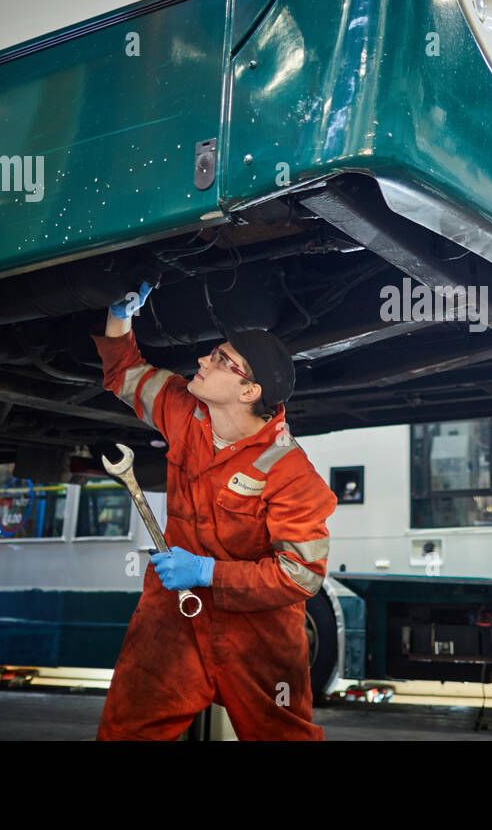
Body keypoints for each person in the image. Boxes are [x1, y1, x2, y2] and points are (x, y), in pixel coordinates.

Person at [93, 282, 336, 740]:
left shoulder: (291, 473)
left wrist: (207, 572)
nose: (203, 359)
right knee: (127, 732)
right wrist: (120, 316)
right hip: (173, 619)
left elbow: (302, 575)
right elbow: (125, 374)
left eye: (222, 359)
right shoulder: (184, 412)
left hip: (258, 632)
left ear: (249, 392)